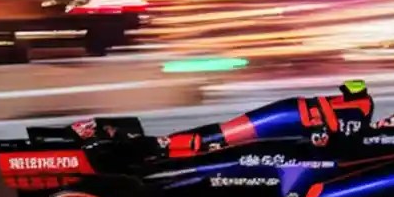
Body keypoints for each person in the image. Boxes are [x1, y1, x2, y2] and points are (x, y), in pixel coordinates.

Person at [155, 80, 375, 157]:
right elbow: (333, 115)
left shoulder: (362, 121)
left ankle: (168, 146)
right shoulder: (361, 107)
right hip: (290, 115)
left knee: (227, 144)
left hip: (292, 126)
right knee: (225, 136)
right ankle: (163, 144)